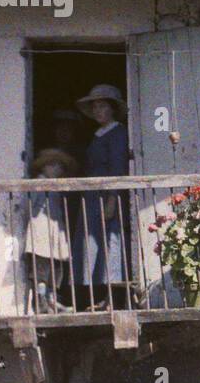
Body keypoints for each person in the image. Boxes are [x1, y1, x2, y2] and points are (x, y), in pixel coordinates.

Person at [72, 83, 131, 310]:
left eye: (102, 106)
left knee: (110, 243)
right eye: (95, 107)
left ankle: (113, 299)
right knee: (94, 245)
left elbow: (118, 167)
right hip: (92, 197)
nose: (98, 111)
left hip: (107, 194)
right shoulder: (98, 134)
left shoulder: (117, 133)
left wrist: (112, 199)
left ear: (112, 109)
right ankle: (101, 297)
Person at [24, 148, 77, 313]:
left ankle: (52, 300)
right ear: (45, 167)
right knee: (41, 269)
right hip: (42, 229)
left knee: (55, 267)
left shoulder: (53, 185)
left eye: (60, 166)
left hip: (53, 230)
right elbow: (30, 207)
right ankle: (40, 301)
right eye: (54, 165)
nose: (58, 170)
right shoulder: (39, 183)